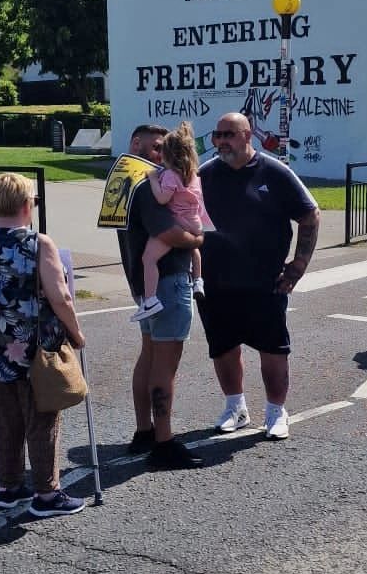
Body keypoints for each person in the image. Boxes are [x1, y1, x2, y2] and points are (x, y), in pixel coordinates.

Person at [0, 172, 87, 518]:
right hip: (34, 347)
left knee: (7, 418)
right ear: (25, 204)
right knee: (42, 417)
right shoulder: (38, 244)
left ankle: (10, 486)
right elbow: (60, 297)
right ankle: (48, 494)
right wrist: (76, 333)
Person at [197, 111, 320, 441]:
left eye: (229, 134)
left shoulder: (275, 172)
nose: (221, 141)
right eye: (217, 135)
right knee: (222, 348)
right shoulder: (204, 174)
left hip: (265, 282)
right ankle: (235, 408)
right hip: (216, 282)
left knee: (273, 349)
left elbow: (310, 215)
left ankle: (276, 411)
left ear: (247, 136)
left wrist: (297, 267)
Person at [109, 124, 205, 467]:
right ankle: (164, 442)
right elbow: (172, 233)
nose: (160, 155)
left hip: (144, 284)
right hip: (168, 282)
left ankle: (144, 431)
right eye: (156, 148)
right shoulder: (148, 185)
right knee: (166, 362)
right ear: (138, 143)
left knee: (149, 356)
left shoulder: (122, 178)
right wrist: (198, 240)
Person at [132, 120, 209, 321]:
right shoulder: (193, 175)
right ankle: (198, 279)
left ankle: (151, 300)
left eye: (160, 150)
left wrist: (154, 180)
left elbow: (163, 200)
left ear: (167, 154)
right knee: (194, 249)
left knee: (149, 259)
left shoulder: (167, 176)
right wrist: (197, 238)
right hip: (193, 221)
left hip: (178, 224)